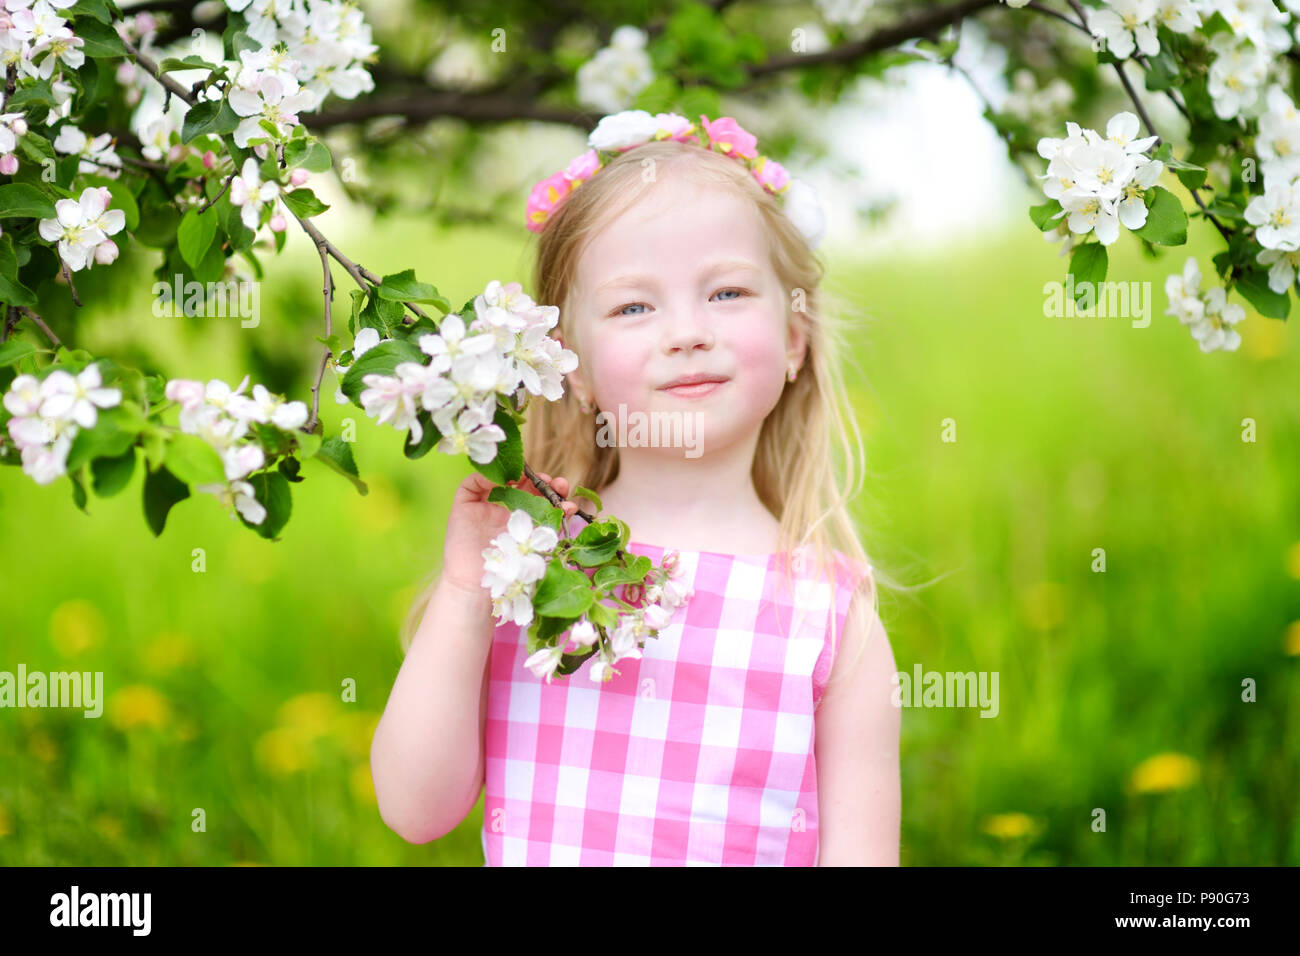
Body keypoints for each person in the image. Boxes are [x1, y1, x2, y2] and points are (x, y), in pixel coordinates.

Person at [371, 111, 901, 865]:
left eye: (726, 293)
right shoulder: (531, 566)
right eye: (632, 307)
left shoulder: (828, 615)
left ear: (792, 338)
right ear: (572, 367)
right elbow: (414, 809)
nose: (686, 331)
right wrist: (464, 591)